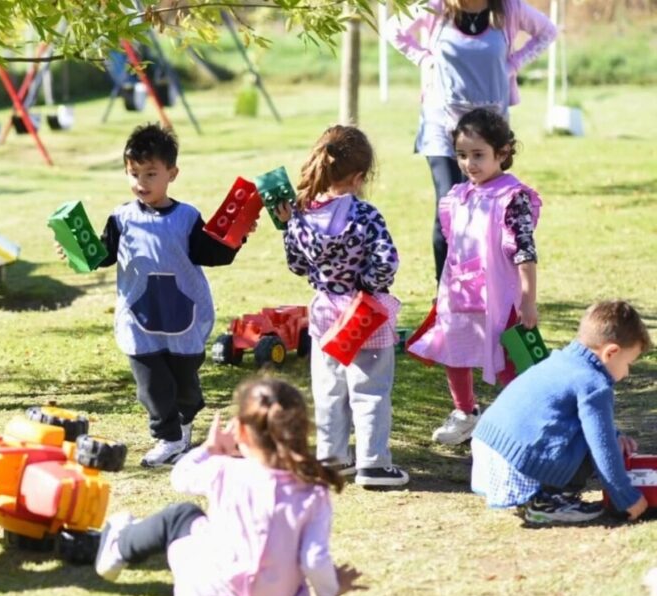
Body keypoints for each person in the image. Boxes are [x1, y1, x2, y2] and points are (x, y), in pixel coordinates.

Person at [62, 123, 243, 467]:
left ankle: (184, 419)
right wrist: (74, 250)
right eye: (133, 173)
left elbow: (213, 253)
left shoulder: (187, 217)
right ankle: (169, 437)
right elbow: (102, 254)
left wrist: (237, 236)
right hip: (139, 318)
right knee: (151, 383)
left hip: (183, 315)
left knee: (184, 383)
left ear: (172, 174)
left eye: (150, 174)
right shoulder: (122, 218)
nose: (140, 183)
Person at [94, 376, 360, 596]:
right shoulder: (312, 491)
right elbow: (313, 559)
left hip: (208, 590)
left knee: (181, 516)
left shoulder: (224, 470)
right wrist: (331, 589)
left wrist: (209, 449)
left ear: (241, 433)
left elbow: (180, 477)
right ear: (302, 431)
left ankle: (118, 546)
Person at [275, 125, 408, 487]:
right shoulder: (365, 216)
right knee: (370, 389)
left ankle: (333, 458)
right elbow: (386, 262)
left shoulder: (301, 217)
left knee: (330, 389)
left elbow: (297, 265)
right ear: (360, 176)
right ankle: (374, 464)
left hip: (324, 313)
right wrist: (364, 286)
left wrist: (289, 229)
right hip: (364, 315)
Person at [386, 0, 555, 284]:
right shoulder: (436, 7)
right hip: (442, 124)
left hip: (489, 129)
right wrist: (425, 60)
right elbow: (394, 30)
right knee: (448, 204)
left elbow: (547, 31)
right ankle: (445, 293)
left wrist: (513, 63)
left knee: (488, 208)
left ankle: (484, 287)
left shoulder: (508, 9)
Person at [407, 108, 542, 446]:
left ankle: (519, 419)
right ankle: (465, 413)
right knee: (455, 351)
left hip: (500, 296)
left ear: (503, 152)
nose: (469, 163)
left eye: (478, 155)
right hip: (460, 296)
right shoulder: (457, 197)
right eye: (462, 155)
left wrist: (528, 300)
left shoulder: (513, 198)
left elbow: (525, 251)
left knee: (511, 359)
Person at [471, 300, 653, 524]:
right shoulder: (594, 383)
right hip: (515, 461)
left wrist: (616, 436)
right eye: (628, 363)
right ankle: (550, 502)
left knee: (590, 437)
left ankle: (540, 496)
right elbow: (601, 444)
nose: (627, 372)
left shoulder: (563, 360)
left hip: (491, 447)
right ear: (611, 353)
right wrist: (626, 497)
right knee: (594, 446)